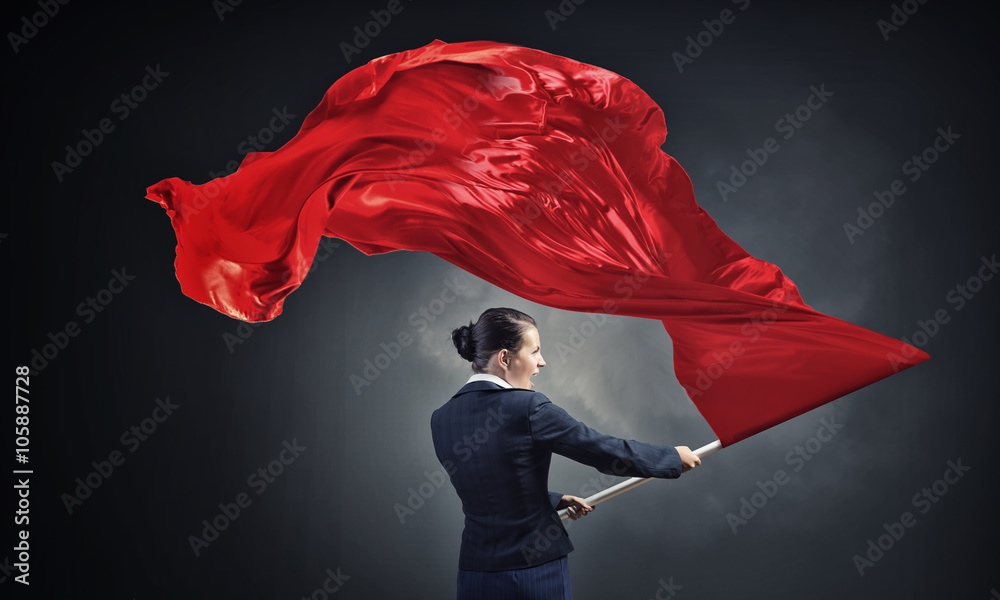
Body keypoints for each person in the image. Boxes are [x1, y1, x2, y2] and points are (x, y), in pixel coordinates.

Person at [431, 307, 700, 600]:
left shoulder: (441, 418)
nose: (542, 362)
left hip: (475, 574)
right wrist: (671, 458)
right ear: (505, 358)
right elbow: (602, 451)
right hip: (534, 573)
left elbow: (489, 486)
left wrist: (554, 500)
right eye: (534, 352)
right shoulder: (528, 407)